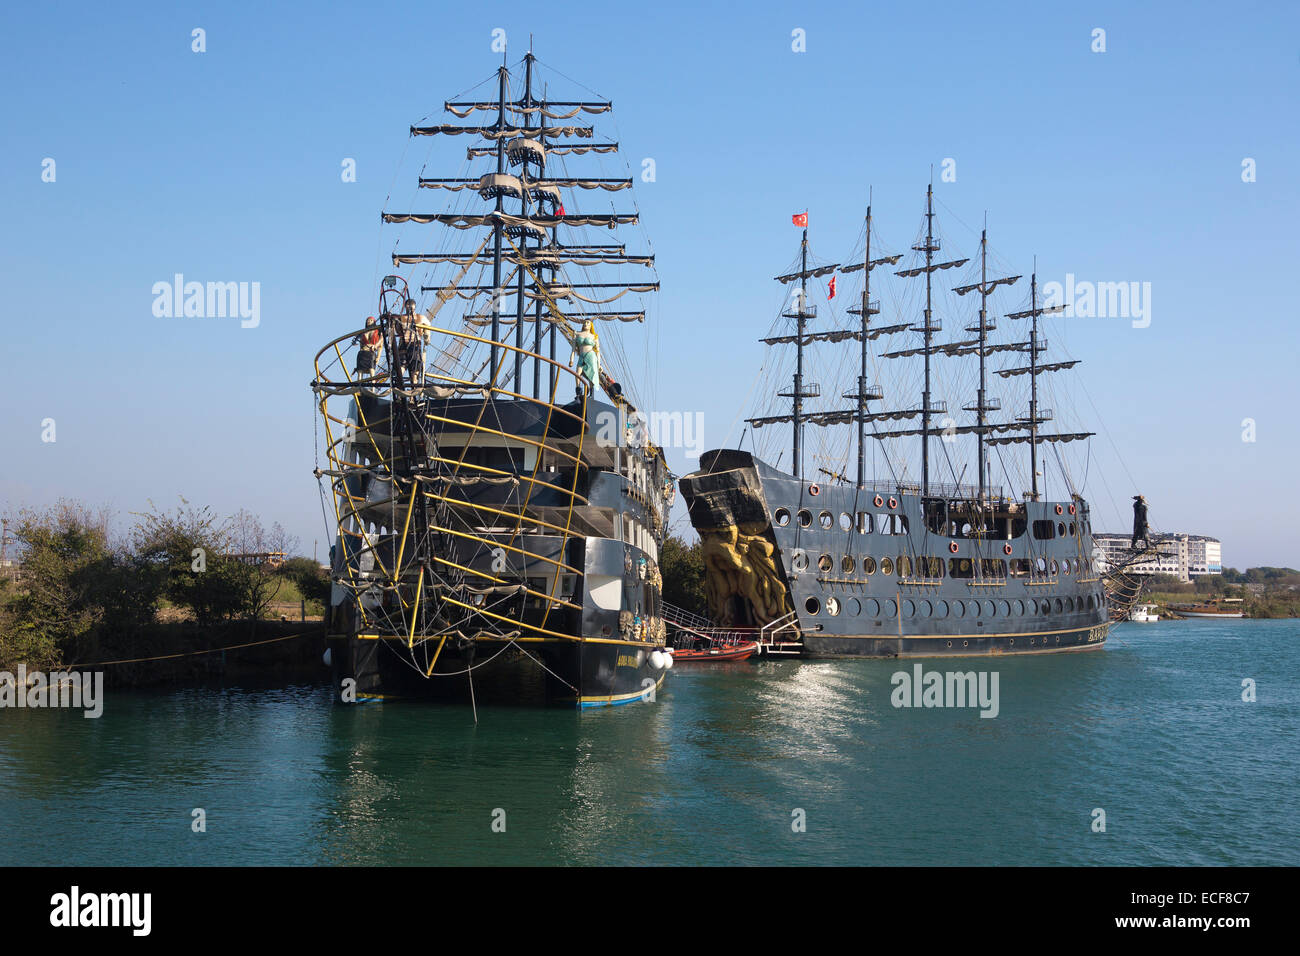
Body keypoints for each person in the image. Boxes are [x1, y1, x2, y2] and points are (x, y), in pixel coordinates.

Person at [573, 319, 600, 395]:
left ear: (591, 325)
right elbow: (573, 349)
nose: (585, 324)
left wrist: (599, 365)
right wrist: (571, 359)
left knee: (591, 375)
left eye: (588, 323)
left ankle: (591, 394)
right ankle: (578, 392)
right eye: (584, 322)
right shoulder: (577, 334)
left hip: (591, 356)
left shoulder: (594, 336)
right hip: (581, 356)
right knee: (577, 374)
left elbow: (598, 352)